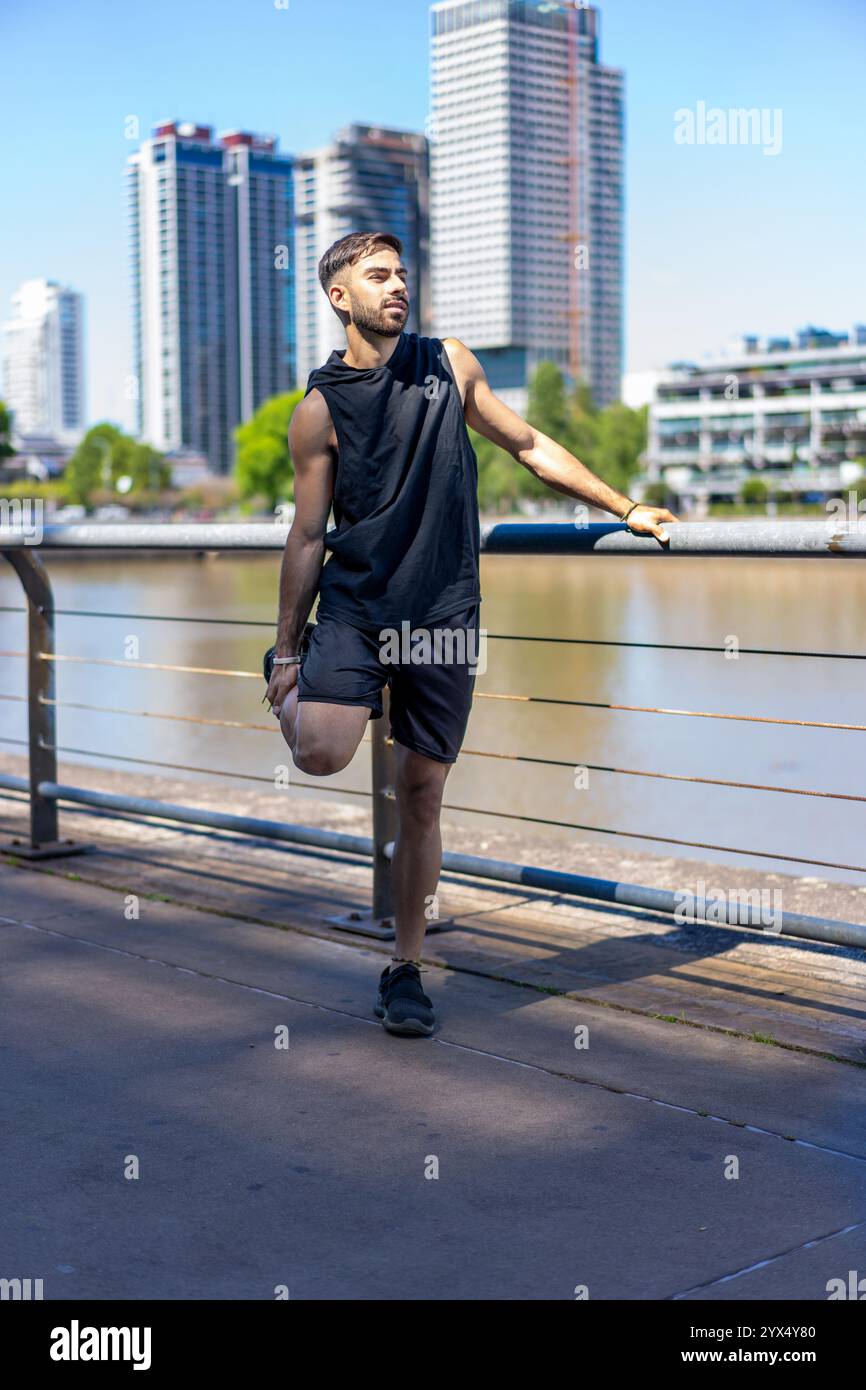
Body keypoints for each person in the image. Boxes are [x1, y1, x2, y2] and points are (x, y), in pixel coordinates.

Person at [264, 230, 678, 1037]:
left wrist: (625, 507)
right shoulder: (316, 412)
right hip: (353, 611)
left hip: (444, 616)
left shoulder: (449, 366)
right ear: (338, 296)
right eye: (377, 276)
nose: (398, 287)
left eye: (402, 274)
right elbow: (308, 536)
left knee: (421, 794)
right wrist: (286, 648)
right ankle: (299, 682)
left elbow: (528, 446)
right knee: (318, 750)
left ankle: (405, 970)